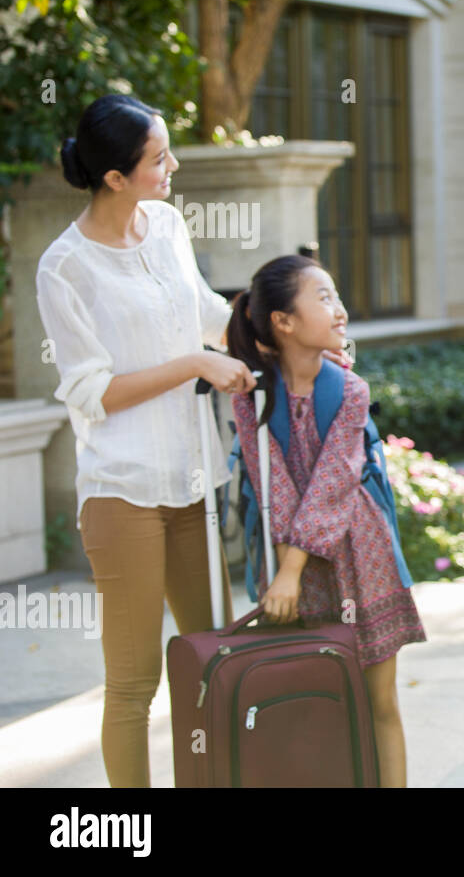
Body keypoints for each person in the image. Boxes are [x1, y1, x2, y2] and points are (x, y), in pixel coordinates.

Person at [35, 94, 262, 787]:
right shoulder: (64, 267)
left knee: (212, 662)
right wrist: (195, 364)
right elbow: (95, 391)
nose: (174, 165)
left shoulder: (165, 226)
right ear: (114, 177)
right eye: (158, 157)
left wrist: (285, 342)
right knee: (134, 684)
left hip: (190, 486)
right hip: (121, 492)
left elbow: (209, 316)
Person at [224, 254, 427, 788]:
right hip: (296, 564)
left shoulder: (349, 389)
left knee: (380, 701)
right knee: (315, 705)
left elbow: (334, 483)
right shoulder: (253, 398)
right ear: (283, 321)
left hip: (361, 555)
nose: (338, 310)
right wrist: (290, 573)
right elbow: (275, 489)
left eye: (336, 296)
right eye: (323, 298)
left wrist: (288, 573)